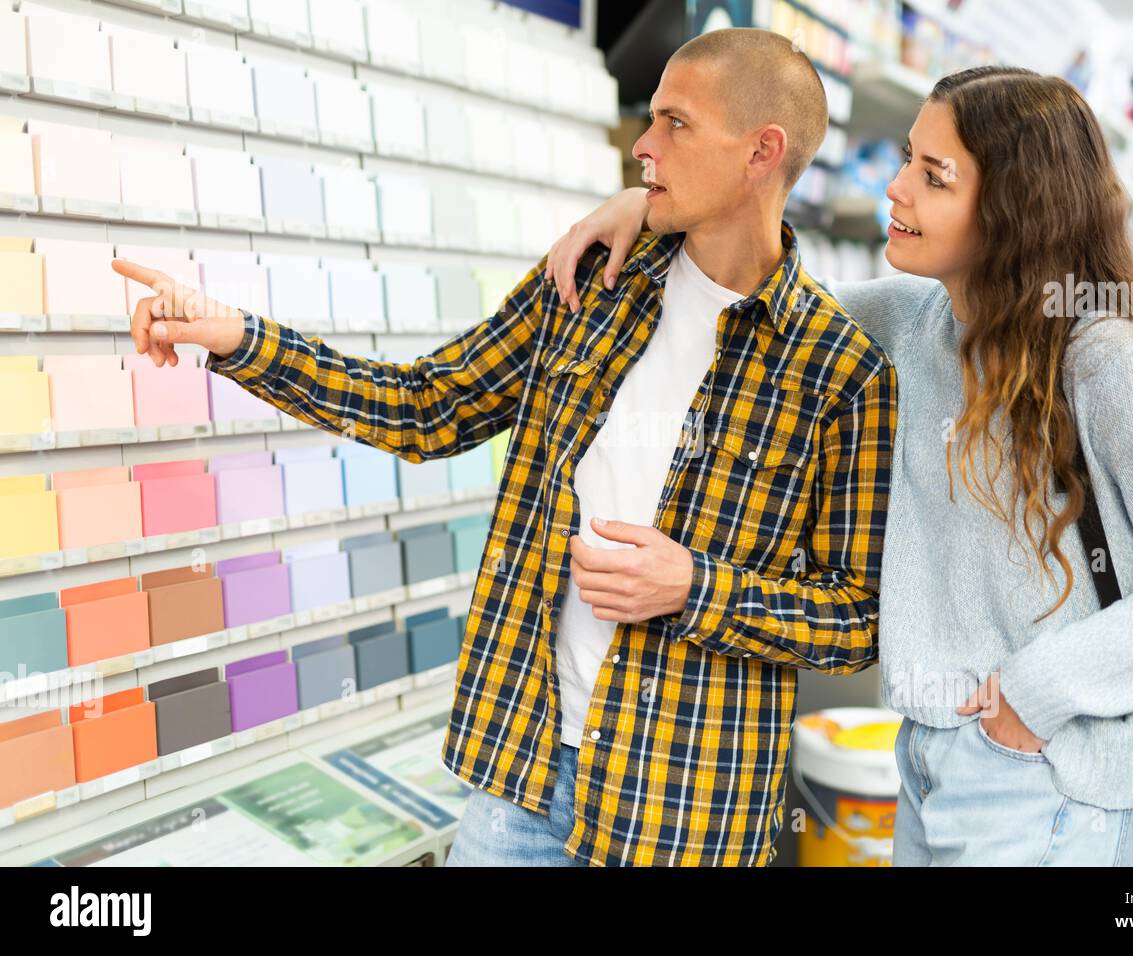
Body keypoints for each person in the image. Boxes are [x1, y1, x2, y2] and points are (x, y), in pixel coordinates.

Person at [109, 27, 895, 866]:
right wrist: (239, 338)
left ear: (761, 151)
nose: (643, 145)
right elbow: (425, 406)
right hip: (523, 779)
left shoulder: (841, 372)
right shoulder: (593, 281)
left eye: (676, 124)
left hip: (686, 808)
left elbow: (854, 619)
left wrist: (694, 587)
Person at [545, 65, 1133, 866]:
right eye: (905, 160)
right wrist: (645, 208)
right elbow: (762, 284)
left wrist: (1033, 697)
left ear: (1014, 206)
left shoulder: (1106, 365)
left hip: (1045, 777)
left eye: (935, 176)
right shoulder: (913, 321)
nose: (897, 189)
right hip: (929, 758)